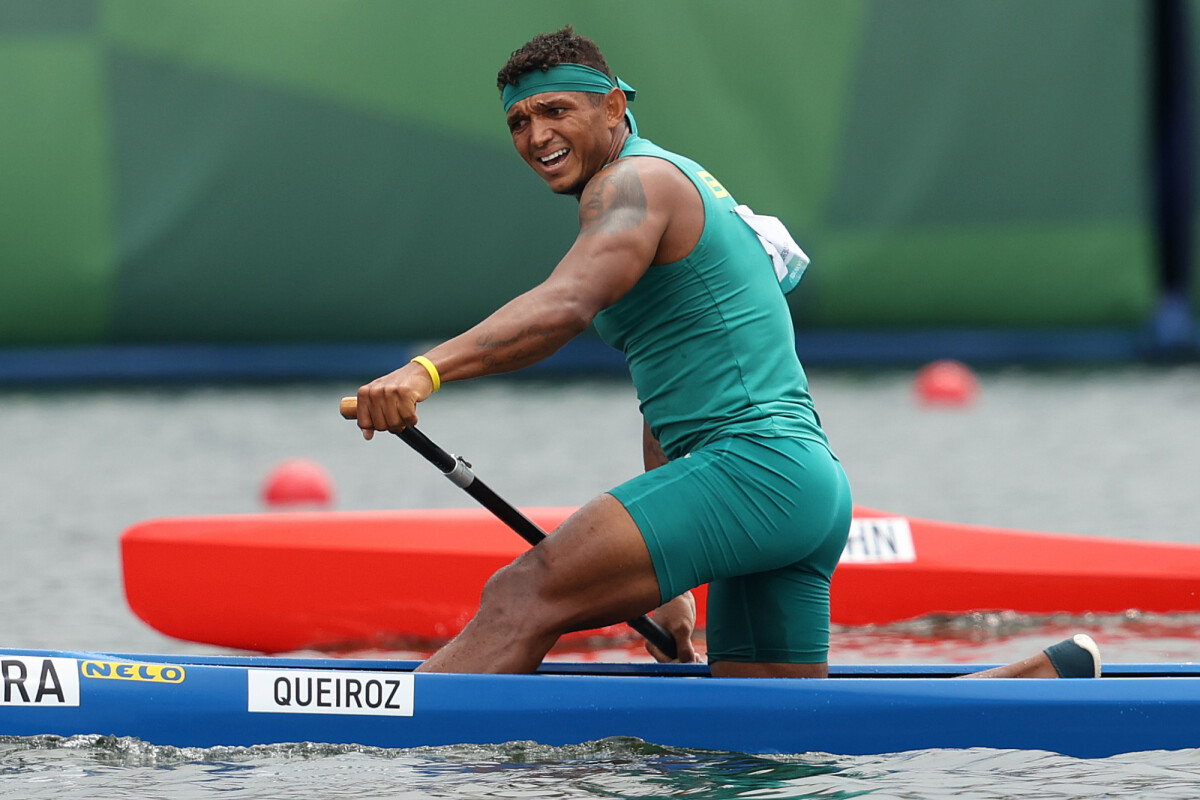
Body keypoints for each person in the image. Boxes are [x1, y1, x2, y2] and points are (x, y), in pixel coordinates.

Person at [353, 26, 1100, 680]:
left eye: (556, 111)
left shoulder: (634, 185)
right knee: (771, 741)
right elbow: (666, 396)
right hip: (798, 487)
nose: (536, 135)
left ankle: (374, 744)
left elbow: (563, 307)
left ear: (614, 106)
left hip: (752, 471)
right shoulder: (667, 182)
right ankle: (1034, 681)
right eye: (519, 120)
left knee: (523, 596)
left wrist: (425, 371)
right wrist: (671, 583)